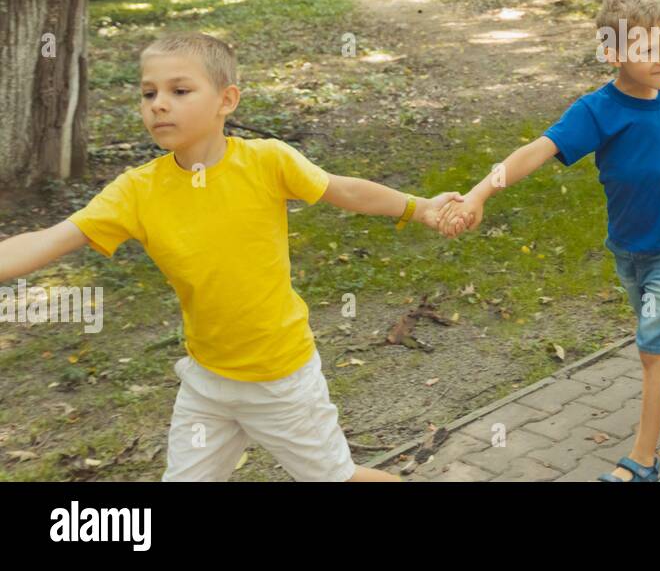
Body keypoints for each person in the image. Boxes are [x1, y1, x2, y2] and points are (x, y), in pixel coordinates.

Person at [0, 33, 460, 481]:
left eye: (180, 90)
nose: (159, 103)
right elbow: (50, 238)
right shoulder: (135, 192)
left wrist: (419, 207)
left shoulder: (268, 161)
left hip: (281, 382)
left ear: (227, 100)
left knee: (336, 478)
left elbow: (343, 190)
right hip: (207, 384)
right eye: (148, 93)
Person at [436, 0, 660, 482]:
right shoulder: (597, 111)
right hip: (628, 247)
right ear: (612, 53)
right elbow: (538, 149)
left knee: (652, 349)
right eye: (647, 49)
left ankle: (643, 461)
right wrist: (480, 193)